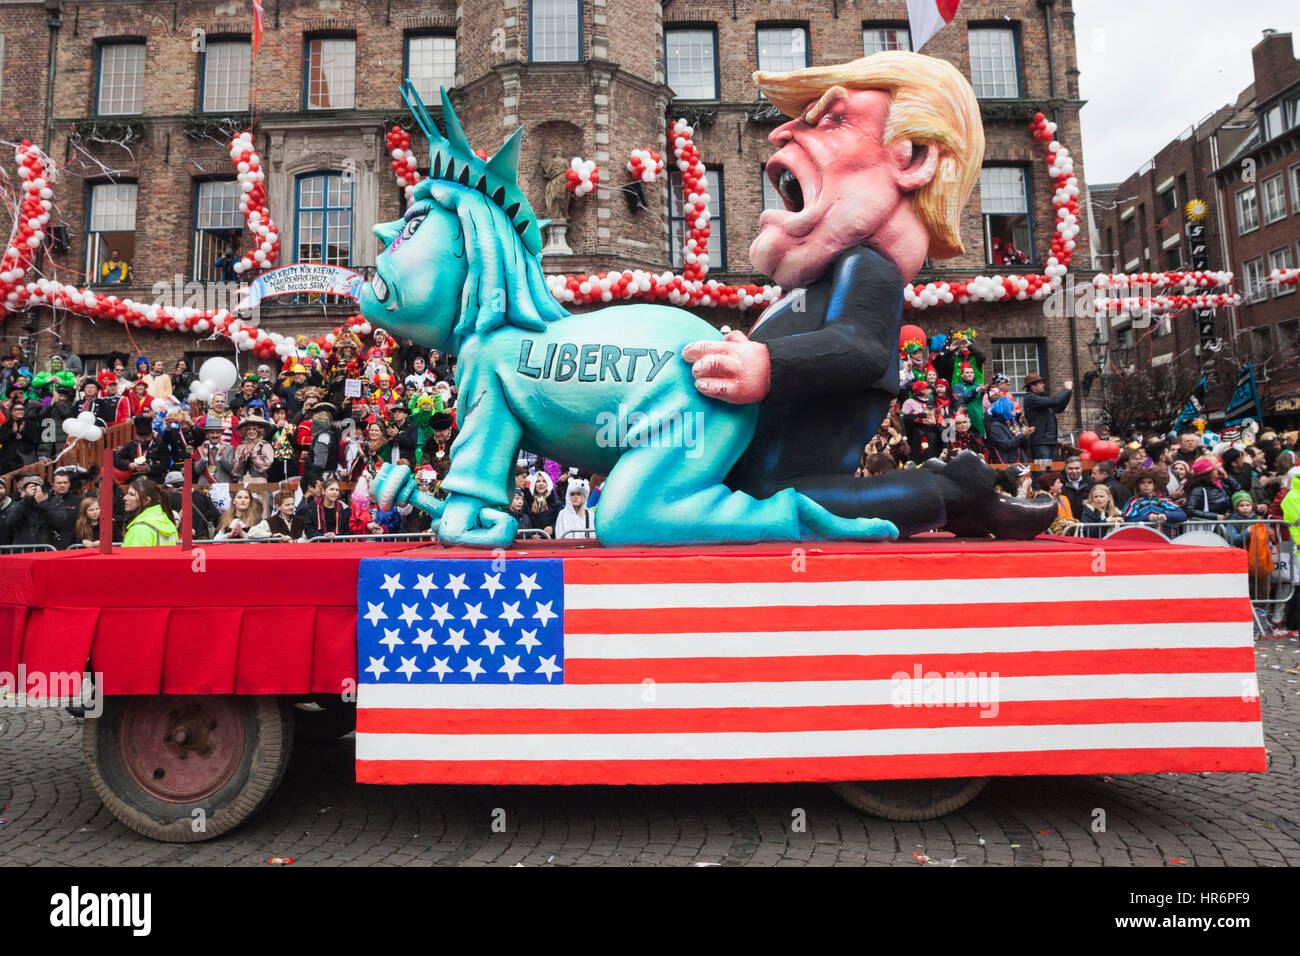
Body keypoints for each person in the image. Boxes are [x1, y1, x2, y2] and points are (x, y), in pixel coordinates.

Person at [676, 52, 1055, 539]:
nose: (781, 134)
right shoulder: (816, 282)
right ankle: (946, 487)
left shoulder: (867, 268)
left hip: (783, 481)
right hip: (753, 478)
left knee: (795, 501)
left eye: (834, 120)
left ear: (913, 156)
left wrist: (768, 365)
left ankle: (953, 494)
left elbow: (858, 348)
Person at [1021, 372, 1071, 462]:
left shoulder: (1042, 399)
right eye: (1040, 383)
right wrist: (1066, 390)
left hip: (1050, 441)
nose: (1043, 385)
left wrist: (1068, 393)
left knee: (1050, 471)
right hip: (1040, 443)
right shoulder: (1031, 398)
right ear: (1033, 386)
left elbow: (1059, 408)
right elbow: (1054, 401)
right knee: (1042, 471)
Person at [122, 478, 178, 547]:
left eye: (131, 494)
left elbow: (132, 557)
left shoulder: (140, 529)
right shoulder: (166, 522)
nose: (125, 498)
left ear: (146, 500)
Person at [1121, 469, 1187, 527]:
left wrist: (1166, 515)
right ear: (1137, 485)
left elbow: (1182, 515)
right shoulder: (1133, 502)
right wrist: (1147, 518)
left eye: (1150, 482)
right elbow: (1127, 520)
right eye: (1142, 482)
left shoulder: (1164, 501)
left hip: (1164, 536)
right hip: (1140, 537)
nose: (1146, 485)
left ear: (1154, 485)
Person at [1184, 456, 1240, 522]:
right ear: (1208, 474)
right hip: (1210, 526)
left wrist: (1227, 478)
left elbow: (1237, 489)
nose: (1218, 470)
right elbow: (1190, 510)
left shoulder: (1221, 483)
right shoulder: (1198, 490)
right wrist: (1215, 516)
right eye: (1215, 470)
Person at [985, 397, 1031, 465]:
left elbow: (1021, 443)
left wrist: (1026, 436)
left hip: (1020, 460)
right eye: (1012, 409)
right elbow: (1006, 444)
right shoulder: (996, 426)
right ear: (1005, 410)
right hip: (1006, 463)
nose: (1014, 411)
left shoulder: (1014, 423)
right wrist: (1022, 435)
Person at [528, 472, 559, 536]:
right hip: (532, 542)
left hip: (550, 541)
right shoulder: (528, 501)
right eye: (538, 481)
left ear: (548, 484)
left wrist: (552, 528)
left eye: (544, 481)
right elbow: (525, 522)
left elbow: (561, 522)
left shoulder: (556, 502)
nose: (541, 484)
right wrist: (531, 535)